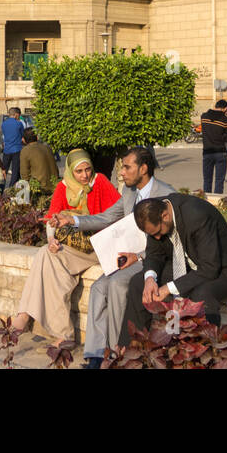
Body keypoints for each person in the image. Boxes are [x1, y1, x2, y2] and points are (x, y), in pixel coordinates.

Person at [53, 147, 175, 368]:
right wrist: (73, 222)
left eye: (127, 167)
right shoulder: (129, 192)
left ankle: (116, 352)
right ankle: (96, 355)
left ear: (144, 168)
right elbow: (108, 217)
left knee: (117, 283)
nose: (122, 173)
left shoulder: (165, 194)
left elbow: (170, 242)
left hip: (150, 260)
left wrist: (138, 256)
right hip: (125, 258)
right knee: (99, 287)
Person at [120, 194, 227, 344]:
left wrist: (168, 288)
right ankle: (130, 349)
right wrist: (150, 278)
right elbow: (154, 253)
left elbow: (210, 268)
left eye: (157, 233)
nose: (157, 238)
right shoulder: (154, 213)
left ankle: (204, 352)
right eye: (152, 235)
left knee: (202, 294)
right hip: (190, 263)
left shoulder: (197, 215)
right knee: (139, 283)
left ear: (165, 215)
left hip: (223, 269)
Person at [11, 149, 120, 340]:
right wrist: (52, 239)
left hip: (97, 245)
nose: (85, 175)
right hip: (73, 247)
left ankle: (28, 315)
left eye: (87, 169)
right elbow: (51, 218)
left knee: (49, 261)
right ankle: (59, 331)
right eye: (79, 171)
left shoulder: (100, 181)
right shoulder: (63, 187)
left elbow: (119, 213)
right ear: (71, 171)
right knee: (47, 252)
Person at [200, 99, 227, 194]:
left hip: (207, 152)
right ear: (225, 108)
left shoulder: (204, 117)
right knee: (219, 180)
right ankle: (217, 202)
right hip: (220, 152)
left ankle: (206, 202)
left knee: (207, 179)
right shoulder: (226, 120)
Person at [1, 107, 25, 186]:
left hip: (6, 150)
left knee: (4, 169)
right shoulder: (19, 124)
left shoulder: (3, 124)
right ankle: (11, 188)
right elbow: (22, 135)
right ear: (16, 114)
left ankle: (1, 186)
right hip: (16, 149)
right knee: (15, 170)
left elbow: (4, 135)